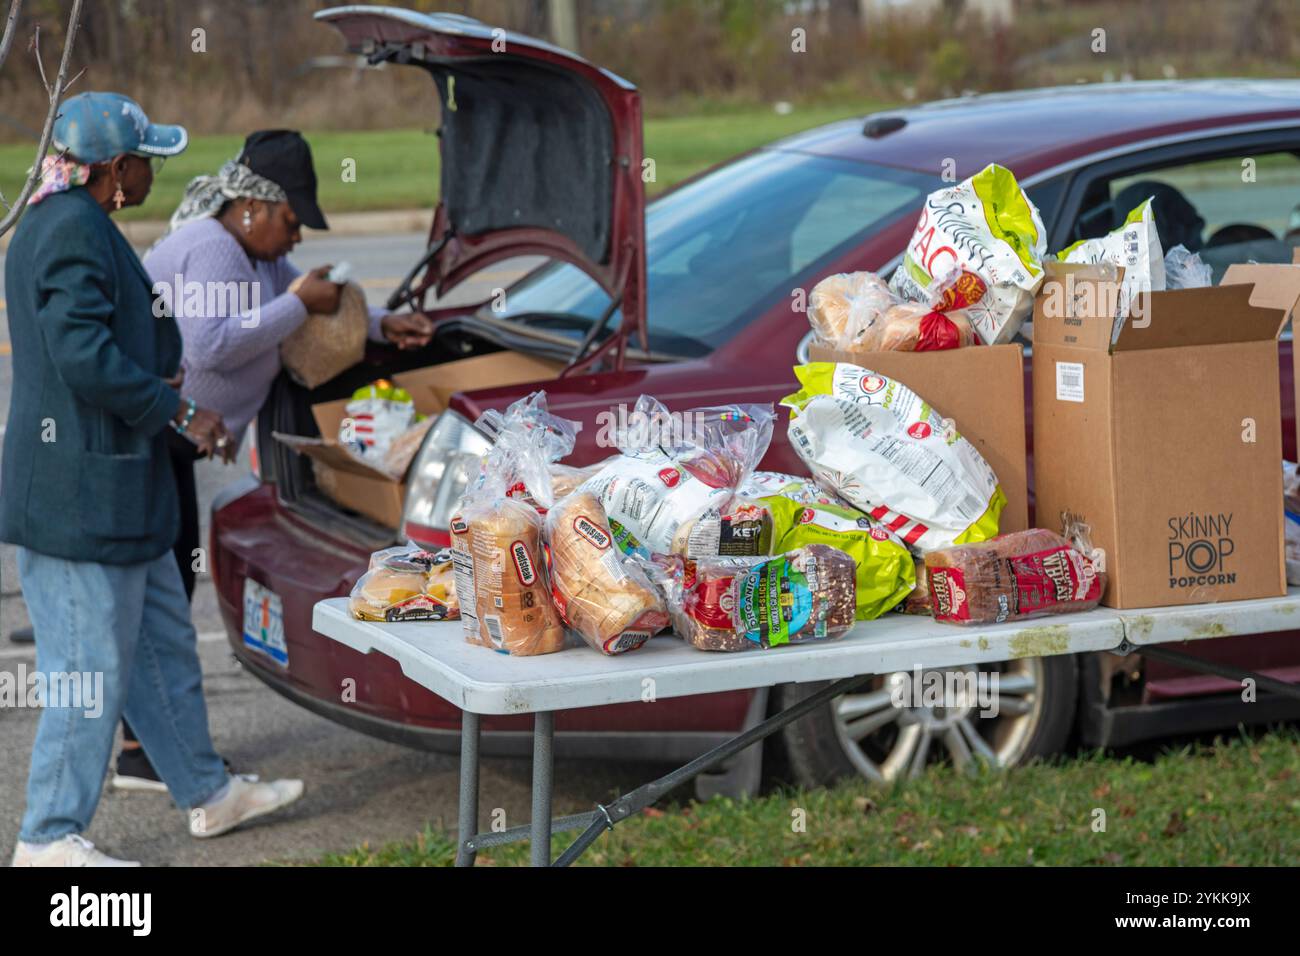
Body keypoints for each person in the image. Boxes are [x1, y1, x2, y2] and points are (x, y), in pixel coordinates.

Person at [2, 93, 304, 867]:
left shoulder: (80, 219)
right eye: (145, 160)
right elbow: (82, 358)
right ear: (112, 168)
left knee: (163, 646)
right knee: (85, 669)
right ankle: (47, 837)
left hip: (123, 493)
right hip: (80, 497)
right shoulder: (67, 228)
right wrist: (179, 410)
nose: (153, 172)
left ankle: (207, 791)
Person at [109, 130, 433, 792]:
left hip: (177, 438)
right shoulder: (213, 248)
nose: (297, 237)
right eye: (292, 220)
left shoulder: (255, 258)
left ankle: (147, 745)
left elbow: (307, 313)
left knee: (168, 583)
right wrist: (296, 303)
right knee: (161, 586)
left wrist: (378, 324)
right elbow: (211, 345)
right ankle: (142, 749)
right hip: (151, 435)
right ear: (254, 207)